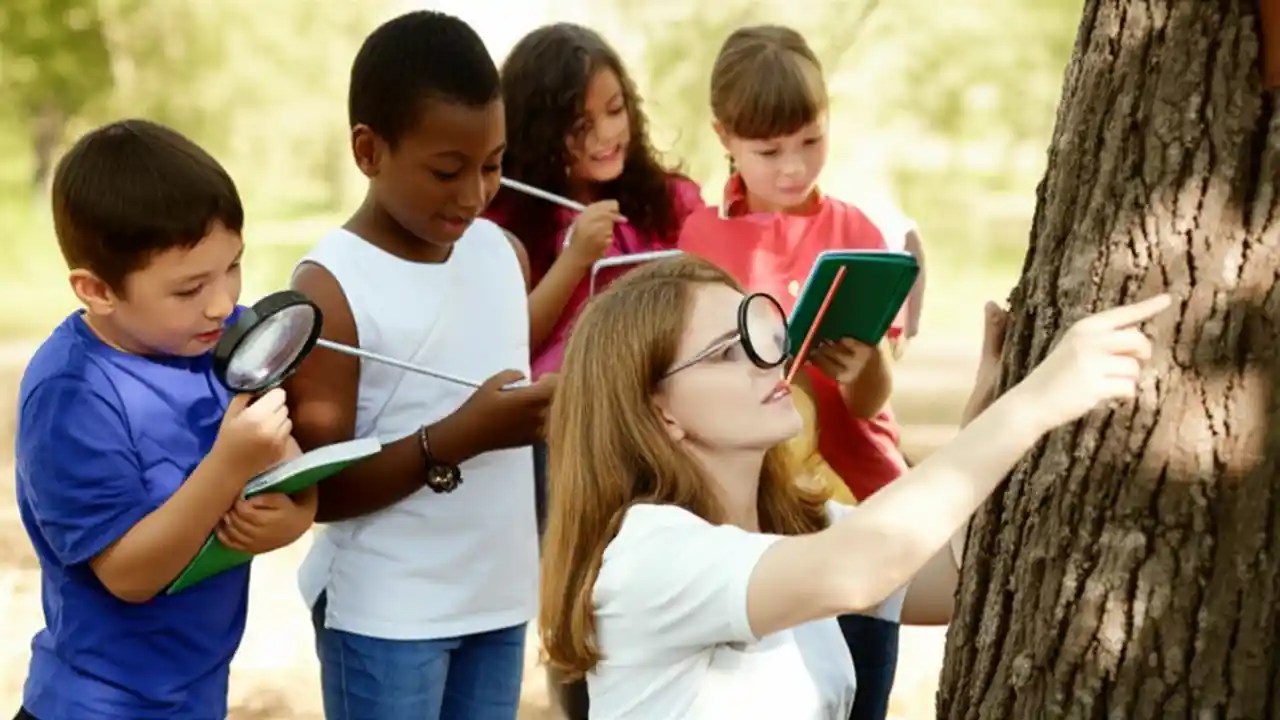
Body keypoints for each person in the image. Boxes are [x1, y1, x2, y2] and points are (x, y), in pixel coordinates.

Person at [538, 255, 1169, 718]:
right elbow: (858, 569)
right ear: (659, 413)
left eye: (758, 331)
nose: (770, 357)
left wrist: (986, 407)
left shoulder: (801, 530)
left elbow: (951, 579)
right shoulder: (650, 552)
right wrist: (1035, 403)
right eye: (729, 351)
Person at [282, 11, 554, 720]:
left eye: (493, 165)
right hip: (389, 617)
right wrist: (459, 436)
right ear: (369, 151)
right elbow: (319, 494)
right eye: (446, 171)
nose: (473, 195)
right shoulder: (330, 289)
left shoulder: (502, 255)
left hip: (498, 600)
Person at [13, 119, 313, 720]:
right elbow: (129, 575)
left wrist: (288, 519)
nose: (223, 301)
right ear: (96, 289)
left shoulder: (226, 337)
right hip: (95, 706)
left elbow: (292, 475)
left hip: (198, 698)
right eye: (188, 288)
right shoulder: (72, 394)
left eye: (233, 266)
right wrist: (228, 465)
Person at [677, 26, 921, 713]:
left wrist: (863, 367)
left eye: (810, 141)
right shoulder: (699, 236)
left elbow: (874, 400)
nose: (792, 167)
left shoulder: (856, 233)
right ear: (725, 136)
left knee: (860, 686)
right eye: (769, 150)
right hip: (746, 511)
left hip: (855, 495)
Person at [483, 24, 703, 717]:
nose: (606, 134)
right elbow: (511, 339)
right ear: (540, 130)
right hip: (569, 431)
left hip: (670, 421)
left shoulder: (668, 200)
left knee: (673, 584)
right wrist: (576, 257)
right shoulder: (510, 223)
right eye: (580, 125)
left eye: (616, 111)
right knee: (583, 595)